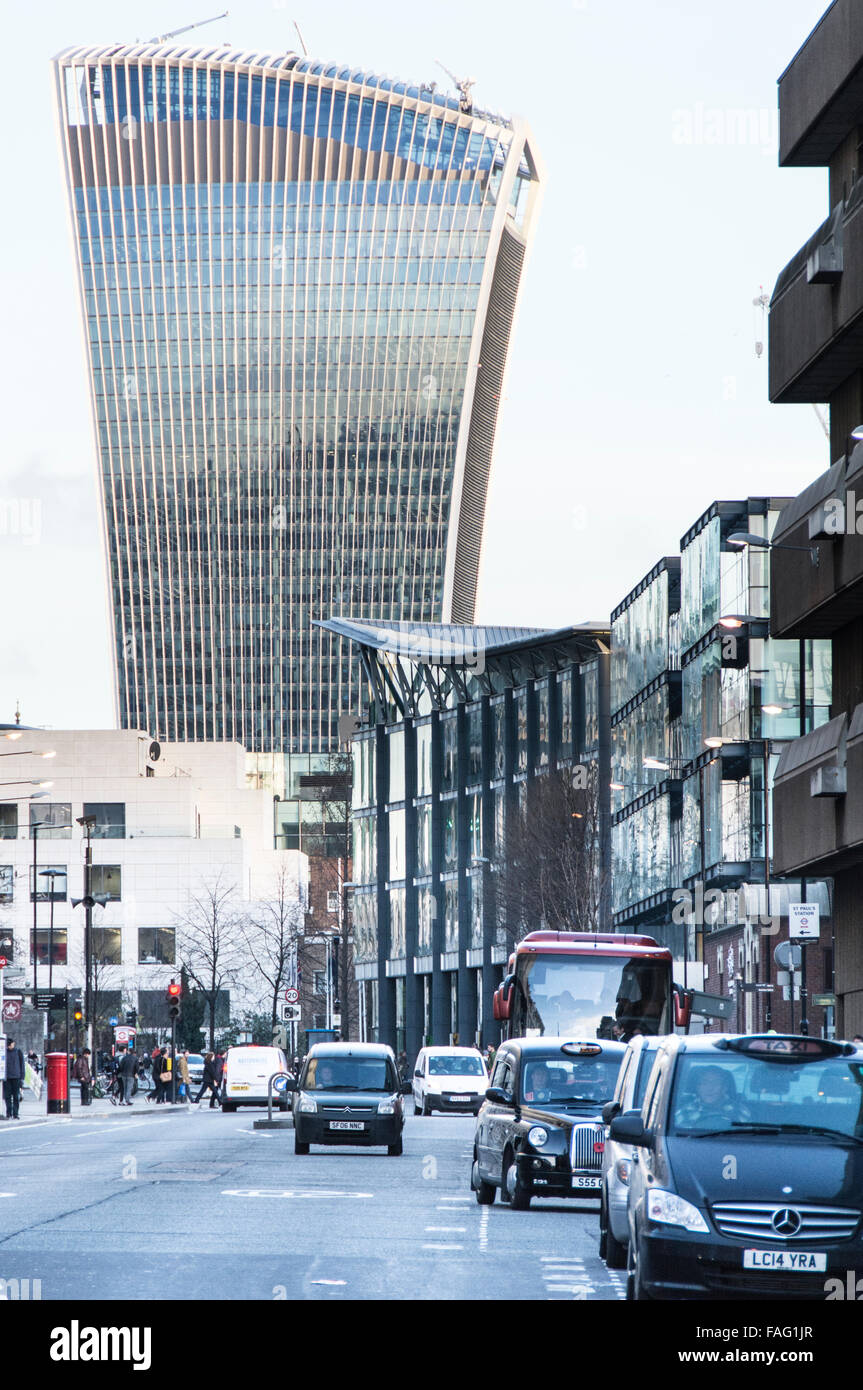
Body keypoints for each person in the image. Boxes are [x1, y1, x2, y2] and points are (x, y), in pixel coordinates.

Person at [677, 1065, 749, 1129]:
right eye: (704, 1083)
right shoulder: (685, 1112)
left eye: (716, 1082)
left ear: (725, 1088)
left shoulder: (739, 1111)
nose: (709, 1088)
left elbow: (747, 1138)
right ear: (697, 1088)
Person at [3, 1038, 25, 1119]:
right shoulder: (4, 1052)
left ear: (13, 1043)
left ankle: (15, 1113)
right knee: (7, 1096)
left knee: (16, 1096)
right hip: (7, 1077)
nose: (9, 1046)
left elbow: (22, 1065)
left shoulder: (18, 1052)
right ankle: (9, 1113)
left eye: (10, 1044)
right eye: (8, 1045)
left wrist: (22, 1077)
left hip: (16, 1077)